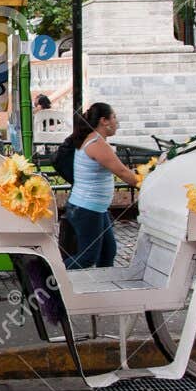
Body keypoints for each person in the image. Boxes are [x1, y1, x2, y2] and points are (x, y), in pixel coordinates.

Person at [63, 102, 140, 270]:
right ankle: (48, 280)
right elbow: (123, 173)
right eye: (114, 117)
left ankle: (102, 287)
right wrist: (148, 184)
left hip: (94, 208)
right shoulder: (97, 144)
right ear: (104, 121)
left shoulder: (94, 139)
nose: (116, 122)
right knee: (87, 257)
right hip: (86, 208)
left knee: (108, 252)